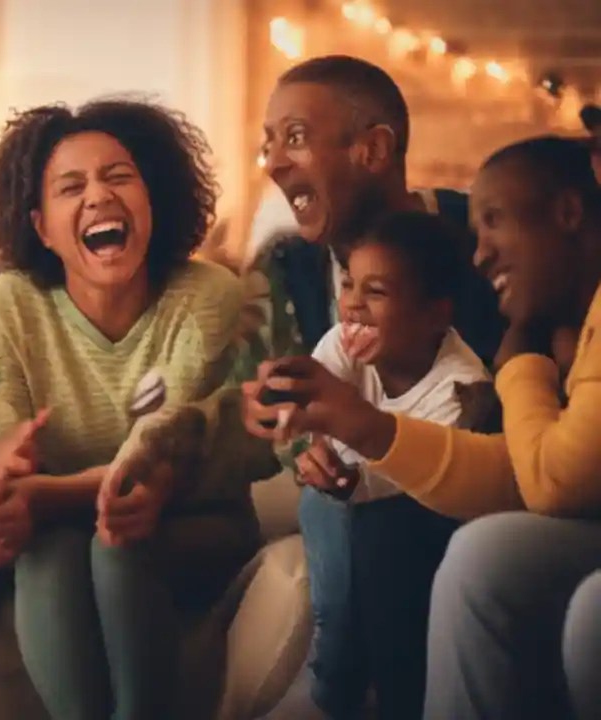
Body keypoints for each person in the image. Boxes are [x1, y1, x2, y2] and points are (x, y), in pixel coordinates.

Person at [242, 136, 601, 720]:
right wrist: (305, 416)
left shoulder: (473, 380)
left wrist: (520, 361)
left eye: (494, 222)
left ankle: (339, 688)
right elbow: (519, 473)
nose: (481, 256)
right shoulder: (570, 330)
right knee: (479, 551)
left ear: (567, 212)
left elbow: (553, 482)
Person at [0, 98, 271, 720]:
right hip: (54, 534)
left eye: (119, 177)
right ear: (42, 227)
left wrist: (46, 494)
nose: (98, 196)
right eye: (71, 187)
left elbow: (167, 446)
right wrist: (4, 464)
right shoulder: (4, 308)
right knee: (50, 553)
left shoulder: (209, 295)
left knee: (116, 548)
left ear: (153, 199)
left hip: (194, 523)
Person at [250, 54, 506, 720]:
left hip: (454, 469)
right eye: (268, 143)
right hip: (337, 476)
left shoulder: (480, 236)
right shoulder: (285, 266)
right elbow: (275, 401)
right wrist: (289, 436)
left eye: (294, 137)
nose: (272, 163)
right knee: (322, 504)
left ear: (373, 149)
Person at [276, 211, 490, 719]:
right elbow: (311, 422)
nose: (352, 304)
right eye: (348, 283)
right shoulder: (343, 344)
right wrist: (316, 455)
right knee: (325, 511)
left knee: (372, 531)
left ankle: (344, 687)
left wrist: (350, 479)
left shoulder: (460, 393)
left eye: (376, 292)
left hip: (410, 522)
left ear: (435, 315)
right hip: (339, 505)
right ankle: (334, 680)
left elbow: (413, 497)